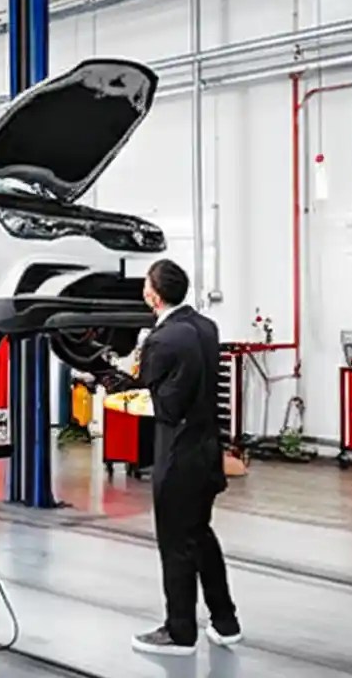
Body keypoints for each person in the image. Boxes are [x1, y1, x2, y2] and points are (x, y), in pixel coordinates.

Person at [107, 259, 241, 656]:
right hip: (207, 452)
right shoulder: (206, 328)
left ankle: (180, 631)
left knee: (176, 544)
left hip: (178, 456)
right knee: (201, 536)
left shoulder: (161, 341)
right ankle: (225, 621)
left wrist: (116, 385)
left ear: (152, 294)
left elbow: (161, 403)